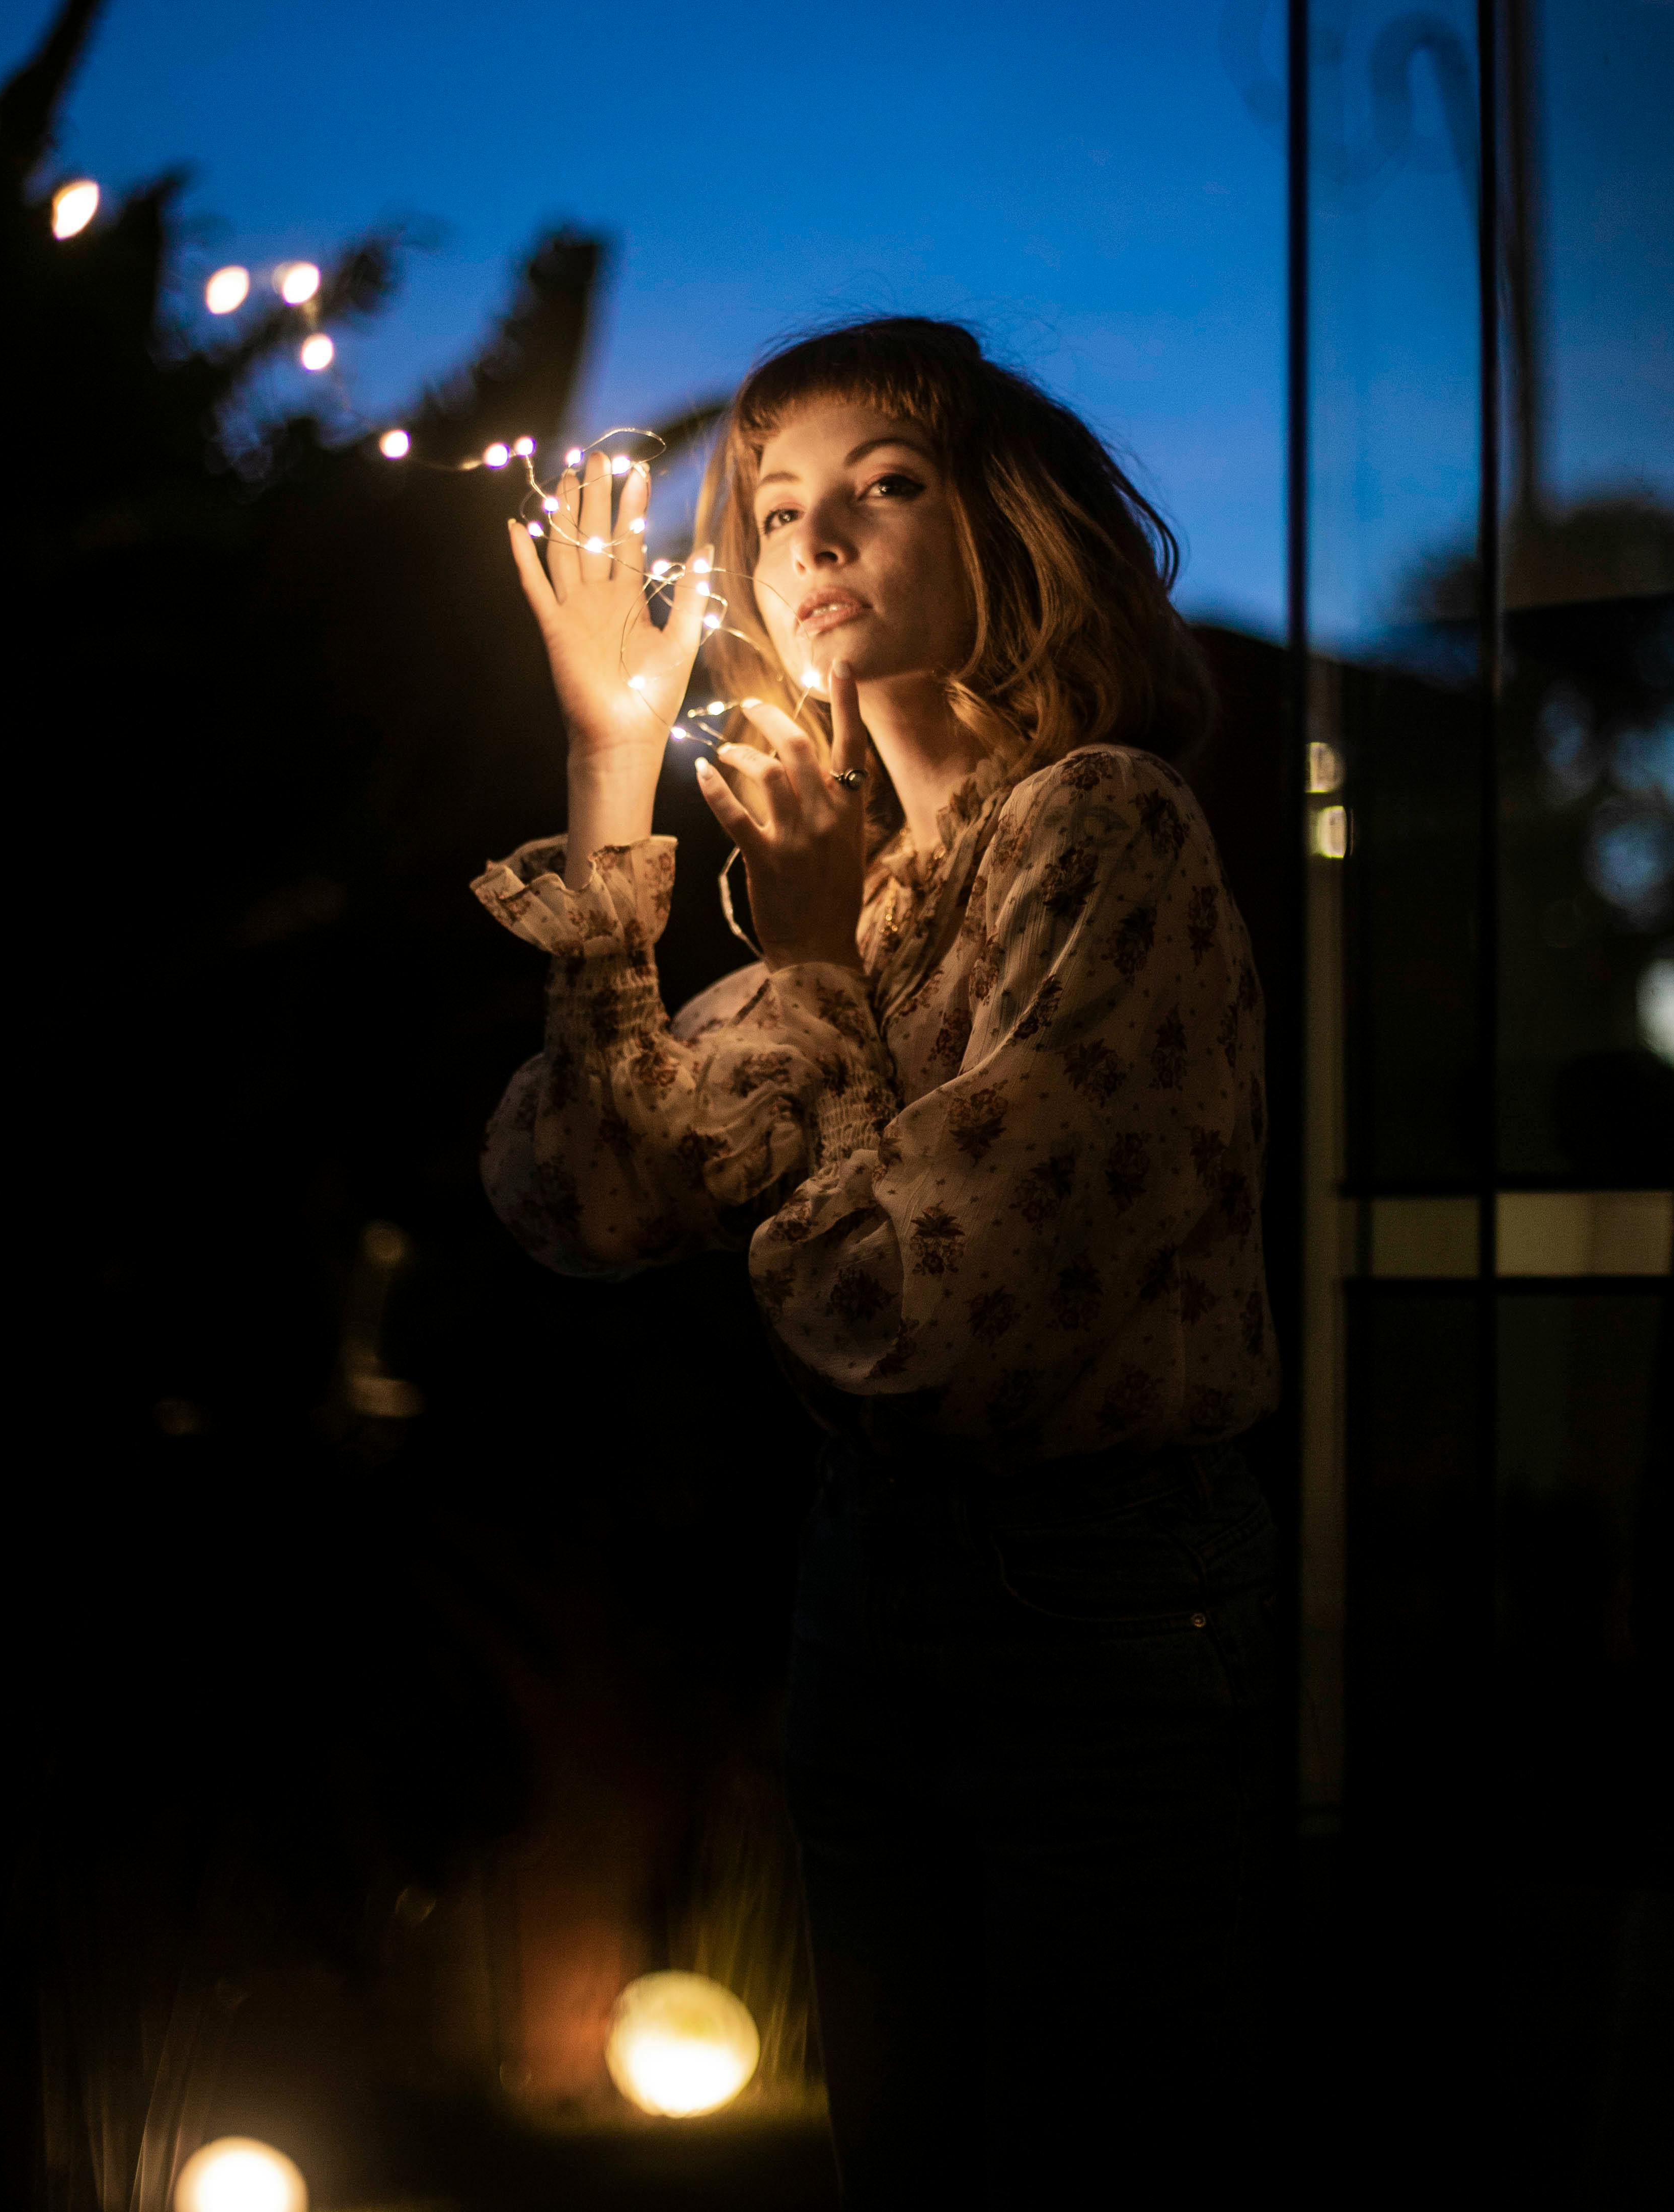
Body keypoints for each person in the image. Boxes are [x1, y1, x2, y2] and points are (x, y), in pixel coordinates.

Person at [475, 316, 1280, 2207]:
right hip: (873, 1606)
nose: (814, 536)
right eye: (773, 508)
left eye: (883, 486)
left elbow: (903, 1315)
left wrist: (822, 965)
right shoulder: (865, 886)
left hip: (1107, 1615)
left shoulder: (1109, 833)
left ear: (1005, 528)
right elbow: (590, 1195)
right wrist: (607, 772)